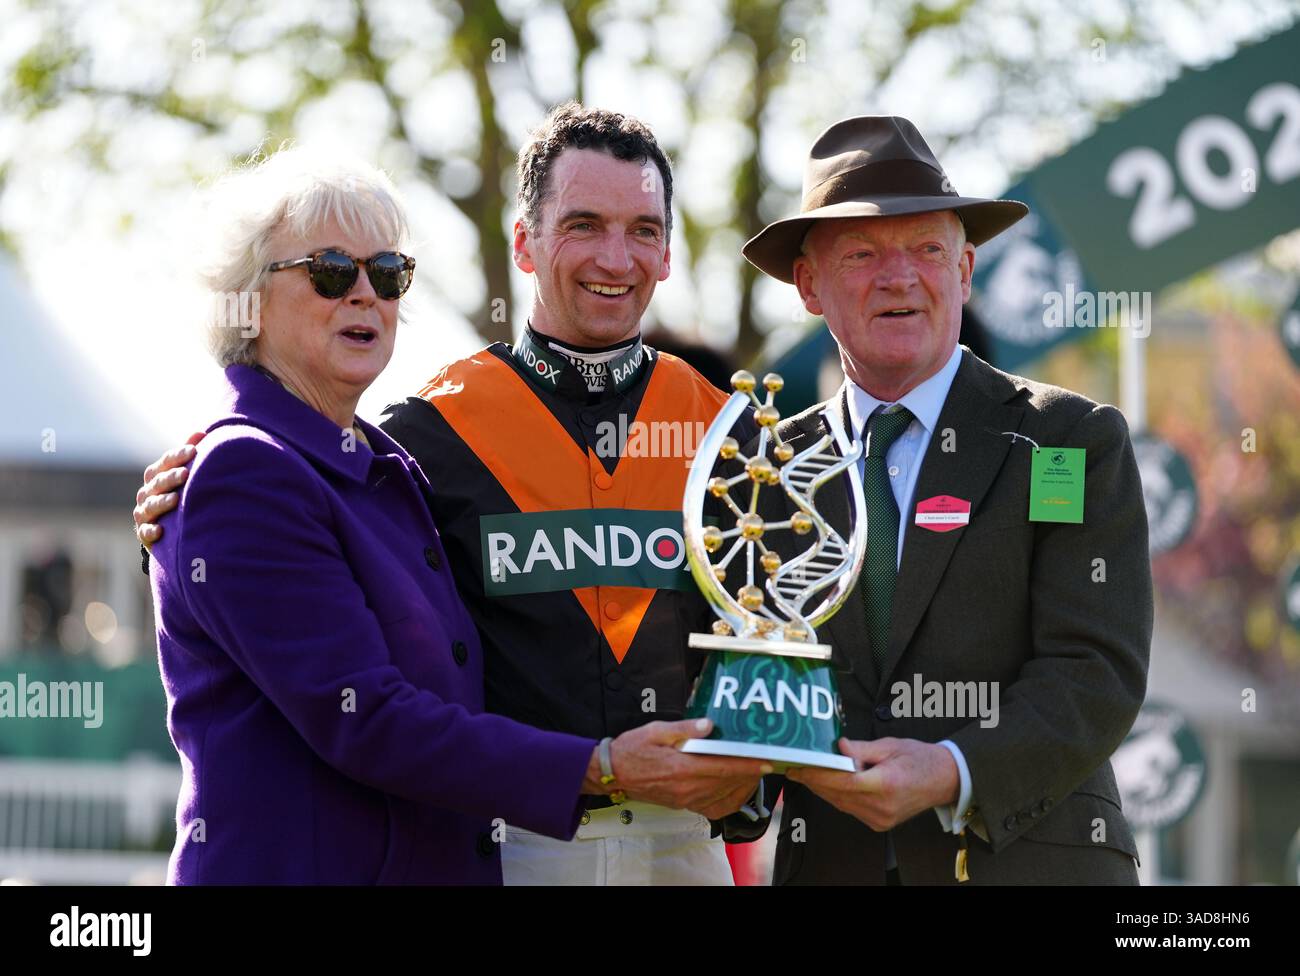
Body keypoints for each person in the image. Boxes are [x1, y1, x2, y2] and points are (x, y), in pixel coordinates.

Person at [136, 108, 769, 885]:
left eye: (389, 274)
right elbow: (359, 707)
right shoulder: (426, 438)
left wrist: (755, 771)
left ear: (669, 249)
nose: (365, 295)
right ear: (523, 243)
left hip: (679, 842)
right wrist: (175, 528)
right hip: (521, 838)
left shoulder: (728, 430)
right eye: (333, 273)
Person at [738, 116, 1152, 884]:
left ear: (964, 271)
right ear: (807, 285)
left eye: (928, 250)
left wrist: (952, 769)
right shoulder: (763, 473)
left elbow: (1095, 673)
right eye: (863, 253)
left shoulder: (1067, 441)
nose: (901, 276)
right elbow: (746, 676)